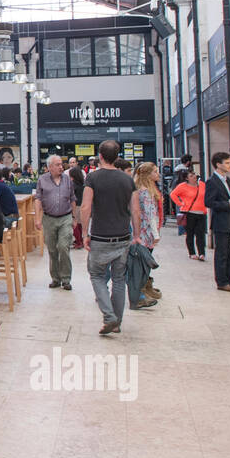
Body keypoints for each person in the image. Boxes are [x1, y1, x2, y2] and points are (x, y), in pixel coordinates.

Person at [81, 139, 140, 336]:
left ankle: (109, 316)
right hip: (122, 236)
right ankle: (117, 320)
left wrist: (84, 233)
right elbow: (135, 210)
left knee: (97, 276)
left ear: (100, 156)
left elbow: (86, 206)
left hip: (100, 236)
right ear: (117, 156)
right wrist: (137, 235)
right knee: (118, 279)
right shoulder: (127, 180)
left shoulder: (93, 178)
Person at [34, 155, 79, 290]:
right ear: (49, 167)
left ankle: (66, 279)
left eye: (61, 164)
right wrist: (37, 218)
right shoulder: (42, 180)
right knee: (52, 250)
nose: (61, 167)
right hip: (49, 219)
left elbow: (72, 199)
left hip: (65, 217)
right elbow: (38, 200)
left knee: (64, 247)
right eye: (57, 165)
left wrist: (74, 217)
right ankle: (55, 278)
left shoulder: (67, 180)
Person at [205, 151, 230, 293]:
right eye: (227, 163)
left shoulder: (228, 180)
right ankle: (222, 282)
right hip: (221, 224)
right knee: (222, 253)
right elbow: (209, 202)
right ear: (218, 164)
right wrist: (227, 204)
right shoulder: (212, 182)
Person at [130, 163, 163, 308]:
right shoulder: (145, 192)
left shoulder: (140, 190)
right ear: (148, 174)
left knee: (142, 263)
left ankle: (144, 289)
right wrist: (156, 234)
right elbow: (150, 215)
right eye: (155, 172)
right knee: (143, 264)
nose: (158, 174)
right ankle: (141, 292)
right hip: (145, 233)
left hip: (141, 231)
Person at [170, 168, 208, 261]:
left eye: (194, 174)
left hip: (201, 212)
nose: (194, 177)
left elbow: (207, 195)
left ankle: (202, 253)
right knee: (190, 233)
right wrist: (180, 204)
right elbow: (173, 194)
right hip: (188, 212)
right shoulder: (182, 186)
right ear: (187, 178)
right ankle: (192, 253)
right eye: (191, 176)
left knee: (200, 234)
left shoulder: (202, 185)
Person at [69, 160, 86, 250]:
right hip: (81, 205)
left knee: (74, 225)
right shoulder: (82, 184)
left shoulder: (73, 185)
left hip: (75, 206)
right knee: (79, 224)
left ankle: (79, 242)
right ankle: (80, 240)